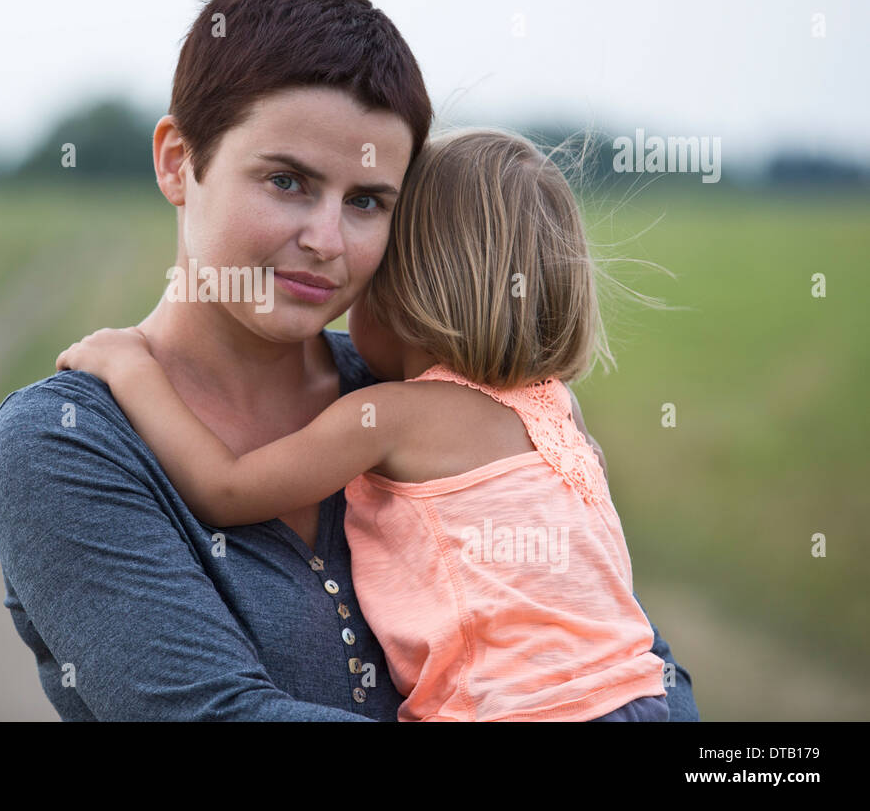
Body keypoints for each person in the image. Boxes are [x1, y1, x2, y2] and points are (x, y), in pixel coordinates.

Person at [0, 0, 698, 720]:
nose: (326, 241)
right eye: (286, 181)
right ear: (176, 161)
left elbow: (632, 661)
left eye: (367, 201)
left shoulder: (421, 398)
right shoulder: (68, 441)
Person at [56, 127, 670, 721]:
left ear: (402, 290)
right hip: (638, 695)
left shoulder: (387, 417)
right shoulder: (557, 405)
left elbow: (226, 489)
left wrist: (131, 369)